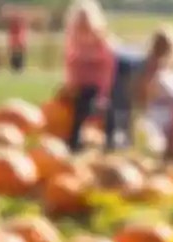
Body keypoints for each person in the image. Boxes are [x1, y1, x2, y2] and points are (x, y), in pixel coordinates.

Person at [63, 0, 115, 152]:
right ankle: (72, 140)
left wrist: (103, 92)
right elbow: (70, 67)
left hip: (95, 88)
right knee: (71, 106)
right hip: (77, 87)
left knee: (96, 107)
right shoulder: (73, 41)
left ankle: (108, 144)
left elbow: (107, 69)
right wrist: (70, 86)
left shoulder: (101, 42)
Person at [138, 25, 173, 164]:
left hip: (172, 110)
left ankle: (172, 154)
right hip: (160, 111)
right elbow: (146, 93)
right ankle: (169, 154)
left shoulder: (169, 70)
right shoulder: (151, 68)